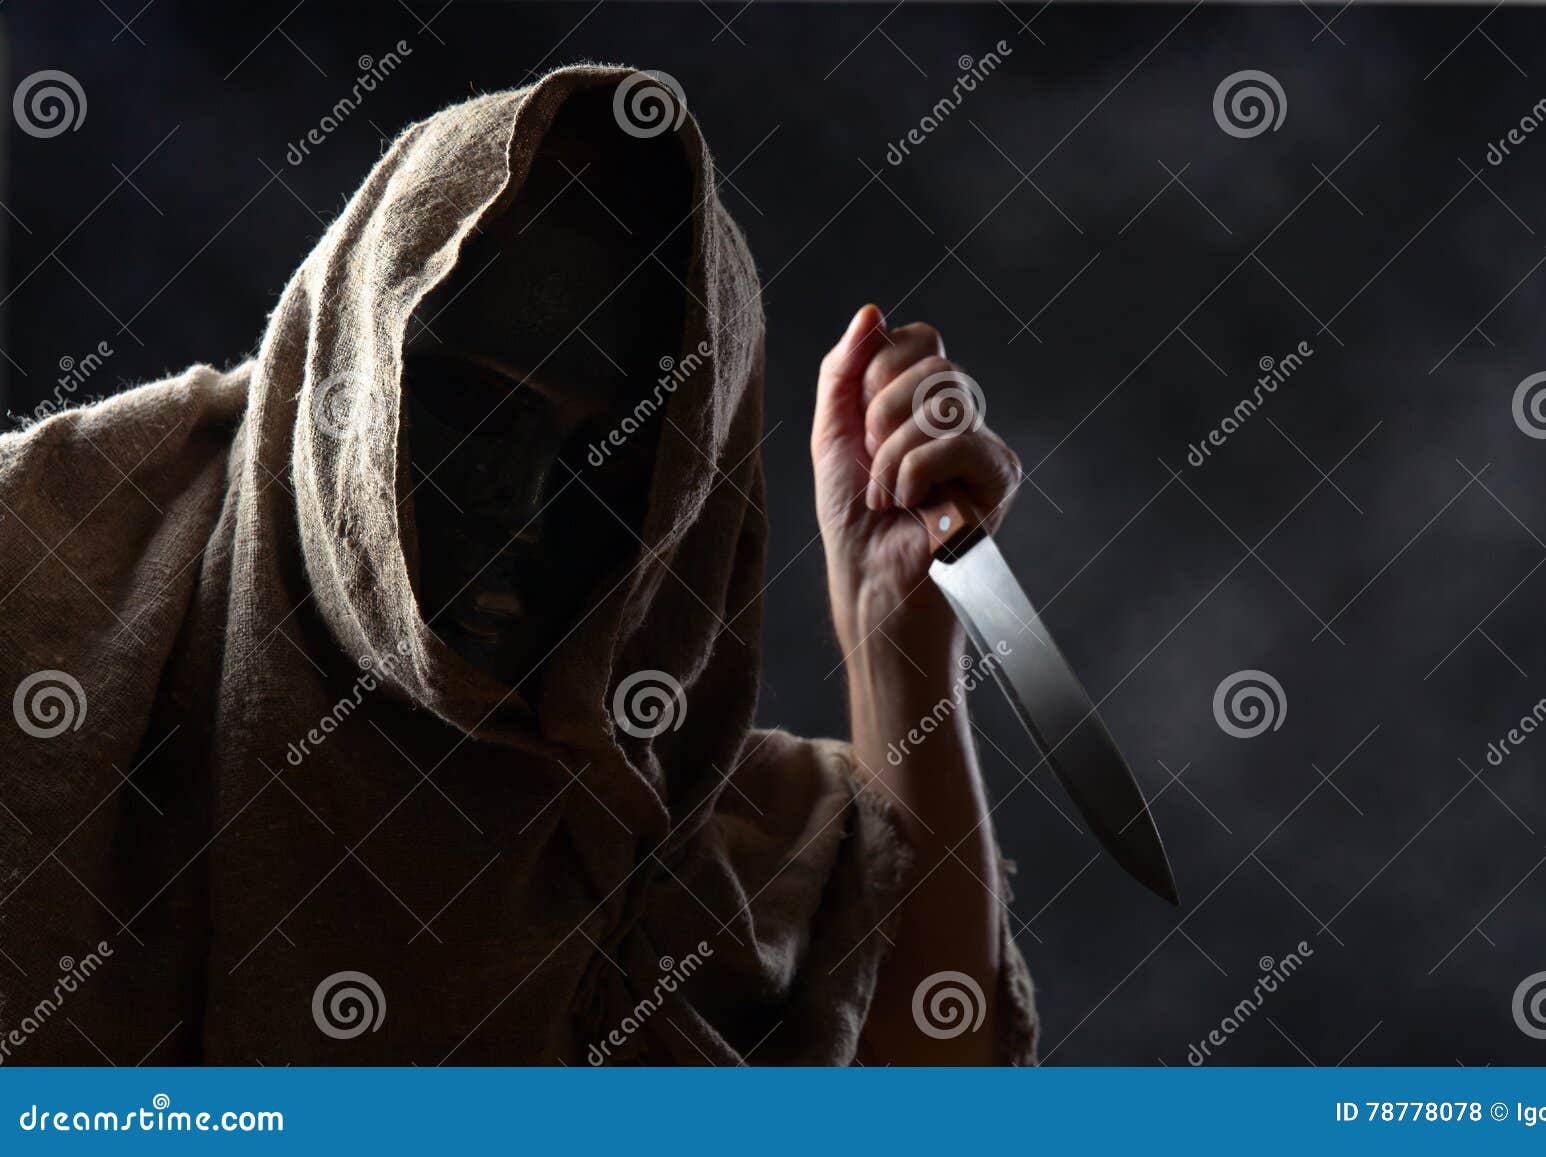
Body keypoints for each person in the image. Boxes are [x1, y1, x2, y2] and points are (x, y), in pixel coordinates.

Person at [0, 66, 1035, 1065]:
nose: (524, 500)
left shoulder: (677, 859)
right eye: (467, 404)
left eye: (607, 454)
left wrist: (888, 622)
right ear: (351, 379)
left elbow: (939, 1098)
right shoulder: (41, 604)